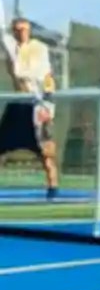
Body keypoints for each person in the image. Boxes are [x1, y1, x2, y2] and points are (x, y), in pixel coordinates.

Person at [1, 17, 59, 201]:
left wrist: (47, 107)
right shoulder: (11, 48)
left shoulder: (39, 49)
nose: (20, 33)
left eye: (24, 29)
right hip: (18, 104)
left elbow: (48, 79)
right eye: (17, 30)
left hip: (37, 105)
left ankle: (53, 189)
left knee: (45, 151)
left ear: (29, 30)